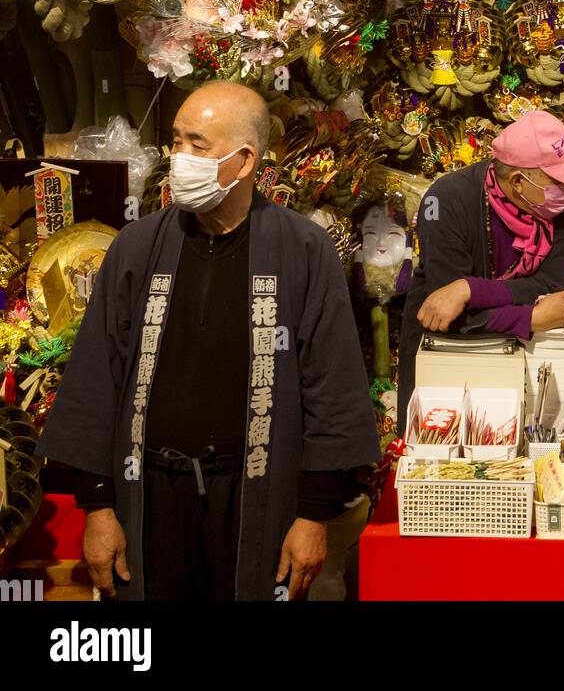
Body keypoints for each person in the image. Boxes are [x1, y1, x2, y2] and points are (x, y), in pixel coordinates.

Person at [38, 80, 379, 602]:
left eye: (197, 145)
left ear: (244, 162)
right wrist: (99, 507)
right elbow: (94, 379)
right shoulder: (138, 245)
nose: (179, 158)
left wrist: (313, 515)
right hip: (148, 494)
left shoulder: (303, 250)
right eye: (176, 142)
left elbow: (332, 388)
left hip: (258, 495)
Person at [398, 109, 564, 431]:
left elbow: (550, 283)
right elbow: (450, 314)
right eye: (559, 181)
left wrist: (469, 290)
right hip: (446, 352)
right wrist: (530, 317)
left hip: (523, 354)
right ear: (519, 181)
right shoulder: (447, 200)